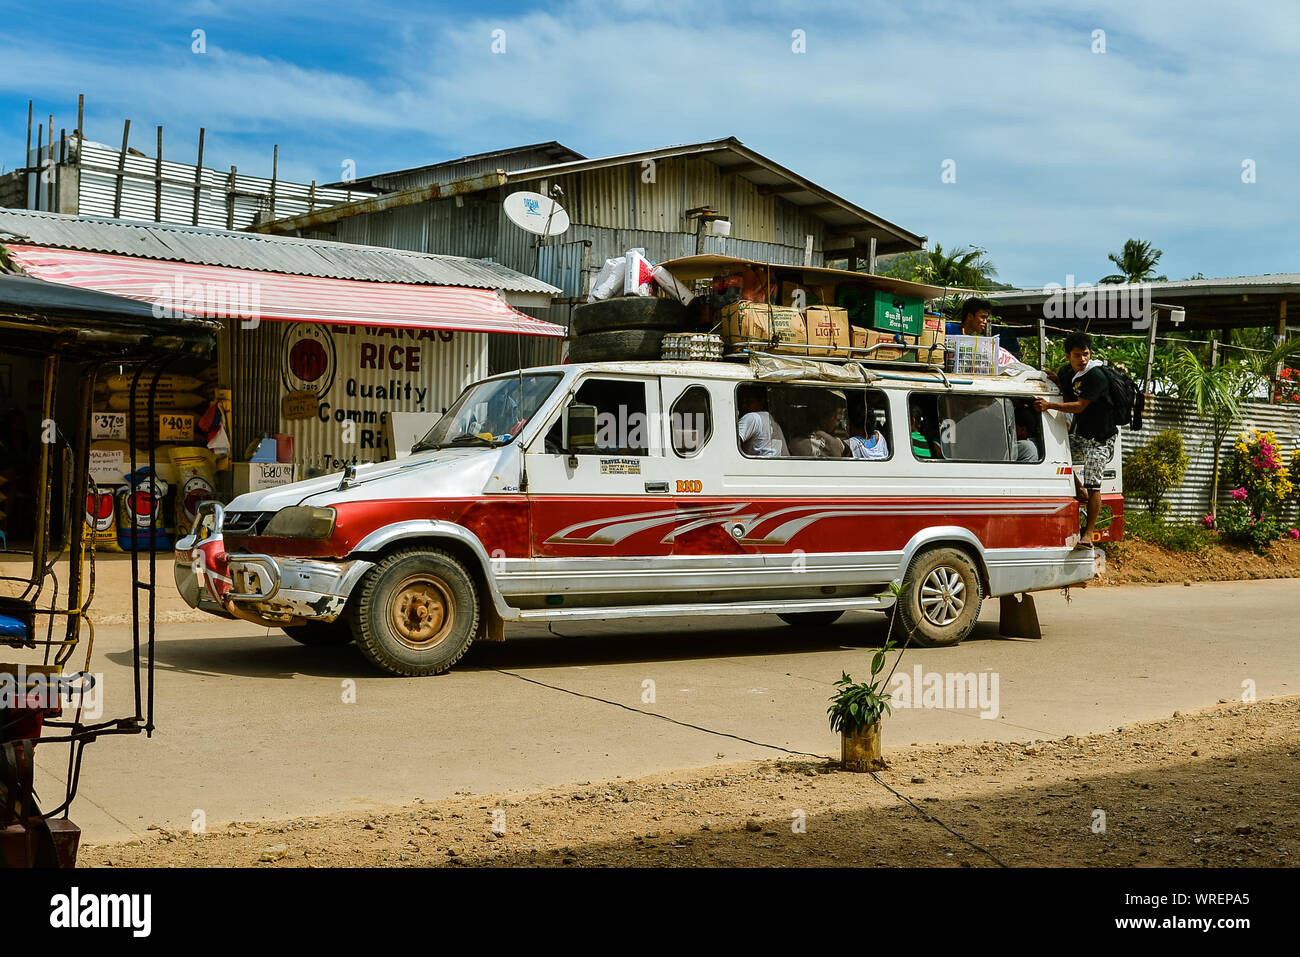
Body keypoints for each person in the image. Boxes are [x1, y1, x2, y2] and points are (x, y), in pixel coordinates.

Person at [1034, 331, 1115, 544]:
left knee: (1094, 484)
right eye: (1077, 355)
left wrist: (1049, 405)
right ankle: (1079, 488)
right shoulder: (1067, 372)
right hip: (1082, 434)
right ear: (1068, 356)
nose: (1083, 359)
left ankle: (1088, 534)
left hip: (1101, 437)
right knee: (1057, 452)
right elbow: (1070, 397)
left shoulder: (1096, 375)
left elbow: (1079, 406)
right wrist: (1058, 383)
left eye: (1086, 354)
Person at [737, 384, 786, 457]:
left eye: (749, 402)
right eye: (743, 402)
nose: (744, 406)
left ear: (761, 401)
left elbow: (730, 444)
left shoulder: (752, 417)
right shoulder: (770, 419)